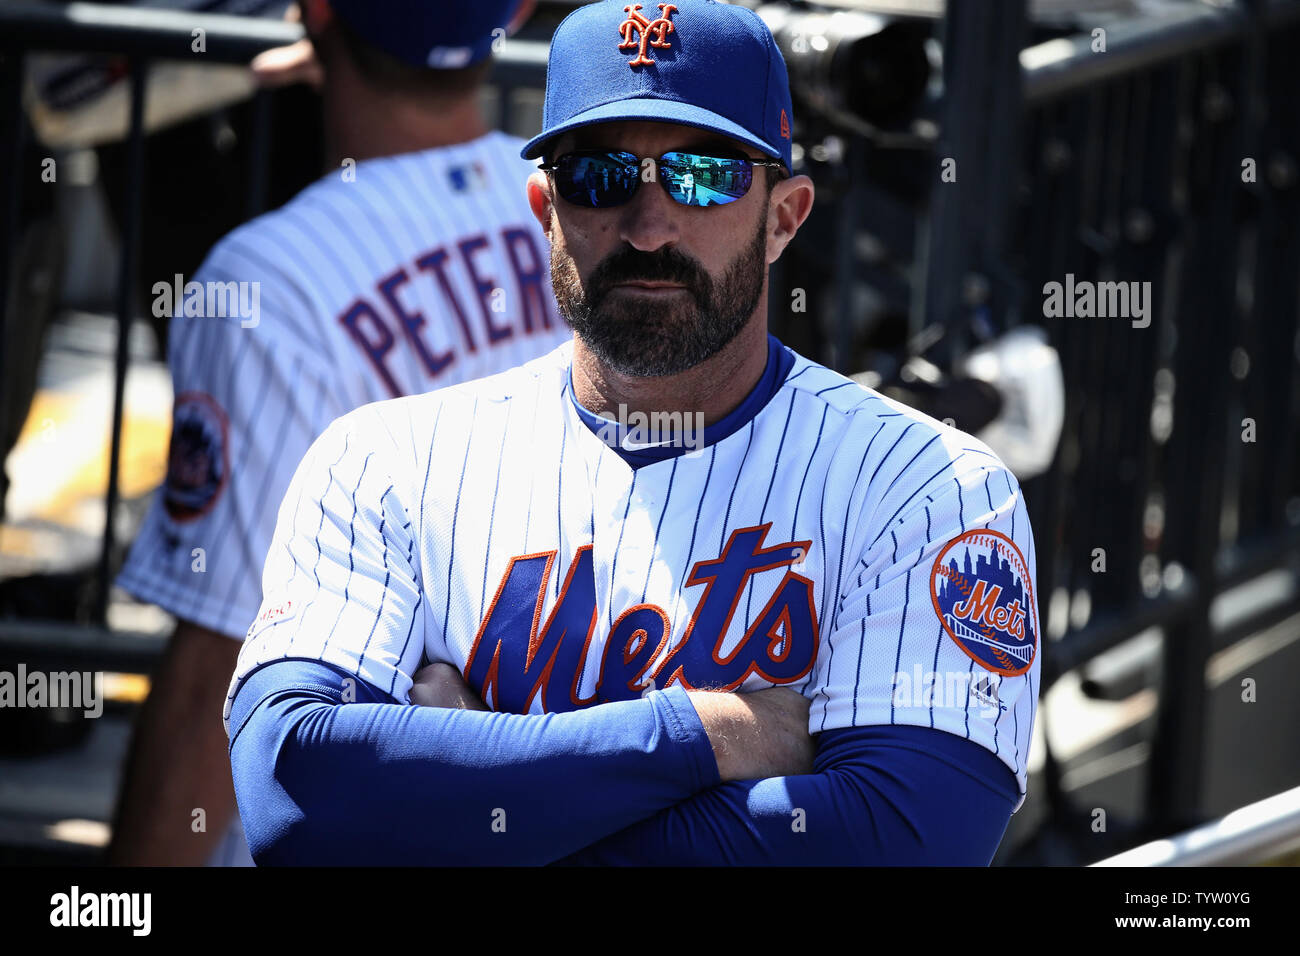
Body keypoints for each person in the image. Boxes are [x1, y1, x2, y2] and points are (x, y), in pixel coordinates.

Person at [226, 0, 1040, 865]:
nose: (650, 227)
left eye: (704, 175)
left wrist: (469, 797)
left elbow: (905, 844)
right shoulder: (381, 464)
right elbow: (295, 797)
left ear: (784, 216)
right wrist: (708, 733)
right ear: (545, 206)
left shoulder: (929, 487)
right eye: (601, 175)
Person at [108, 0, 566, 866]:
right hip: (560, 793)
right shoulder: (575, 201)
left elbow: (221, 650)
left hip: (349, 815)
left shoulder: (269, 278)